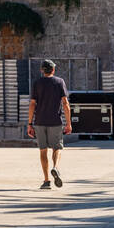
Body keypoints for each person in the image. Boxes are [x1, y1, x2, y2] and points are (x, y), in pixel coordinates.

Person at [27, 59, 72, 189]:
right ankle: (56, 167)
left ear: (42, 70)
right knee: (57, 148)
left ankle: (46, 181)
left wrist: (30, 123)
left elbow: (32, 104)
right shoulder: (59, 82)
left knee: (42, 151)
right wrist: (68, 123)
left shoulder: (37, 83)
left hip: (40, 121)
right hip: (55, 121)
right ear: (53, 70)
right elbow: (65, 103)